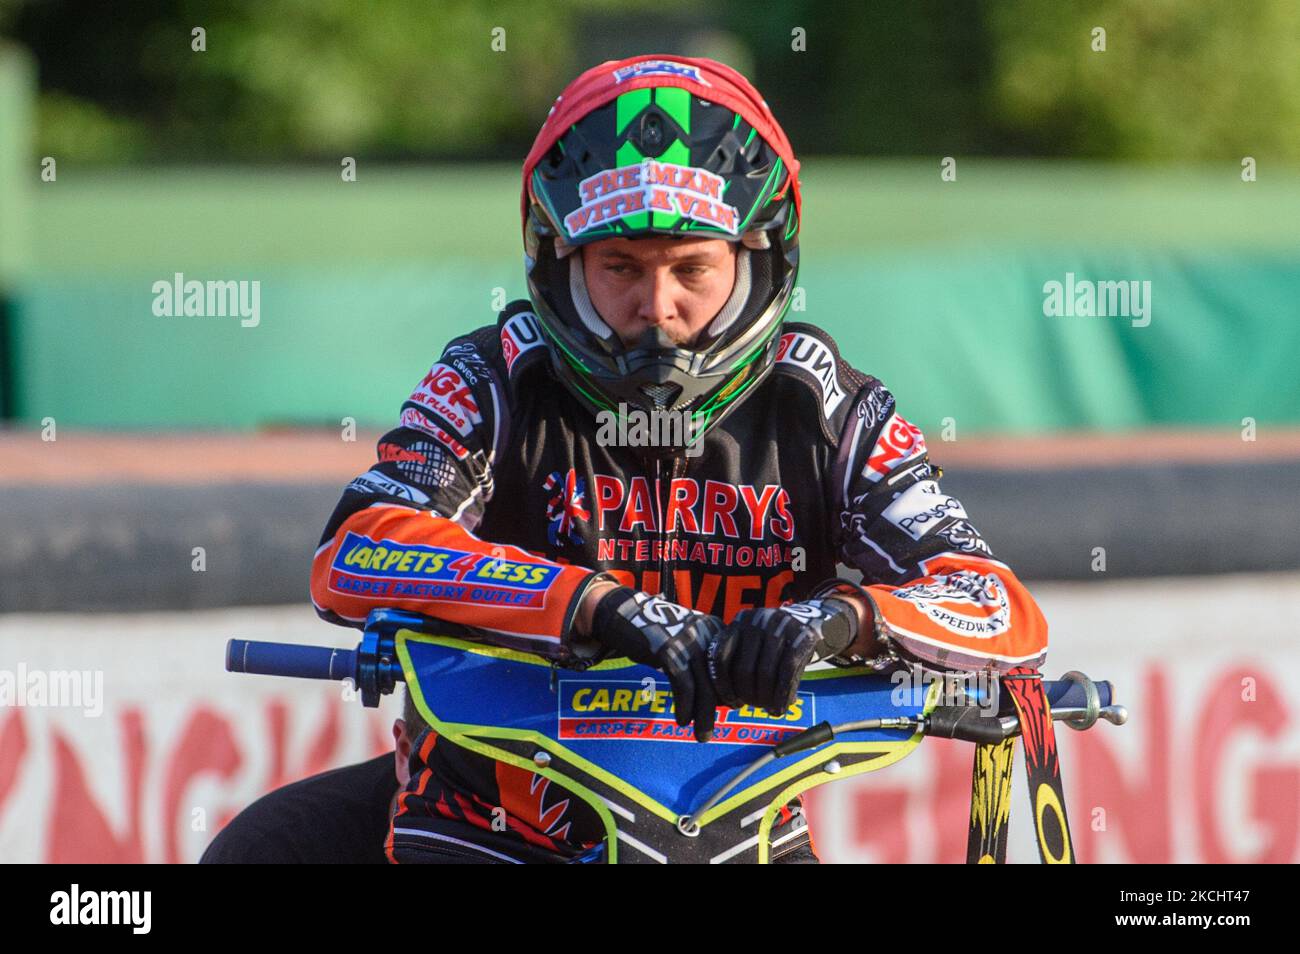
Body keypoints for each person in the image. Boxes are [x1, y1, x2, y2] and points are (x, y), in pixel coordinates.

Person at [204, 54, 1047, 865]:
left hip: (735, 822)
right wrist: (593, 606)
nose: (657, 307)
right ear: (559, 260)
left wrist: (835, 619)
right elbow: (357, 550)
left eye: (692, 268)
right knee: (263, 849)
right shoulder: (490, 376)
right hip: (487, 825)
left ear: (757, 262)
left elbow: (996, 606)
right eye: (619, 268)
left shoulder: (827, 404)